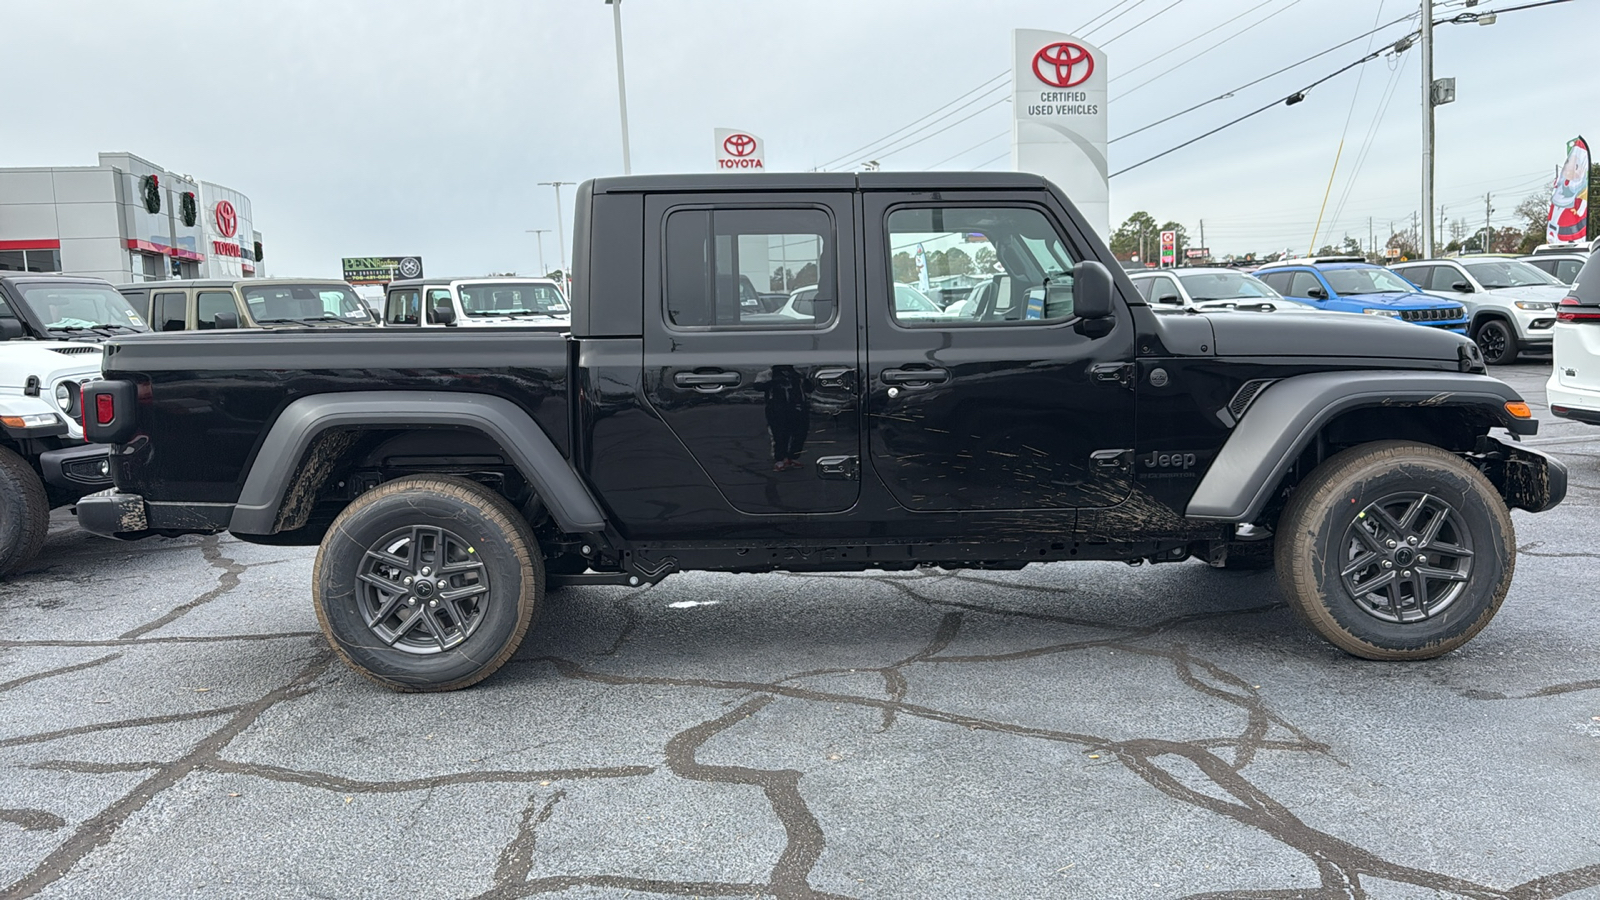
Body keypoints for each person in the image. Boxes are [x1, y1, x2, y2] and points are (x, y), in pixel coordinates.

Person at [760, 365, 810, 472]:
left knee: (800, 433)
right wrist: (774, 382)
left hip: (798, 407)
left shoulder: (798, 373)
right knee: (780, 434)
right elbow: (758, 386)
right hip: (777, 409)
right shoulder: (768, 373)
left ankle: (793, 457)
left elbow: (809, 388)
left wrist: (805, 379)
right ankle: (780, 459)